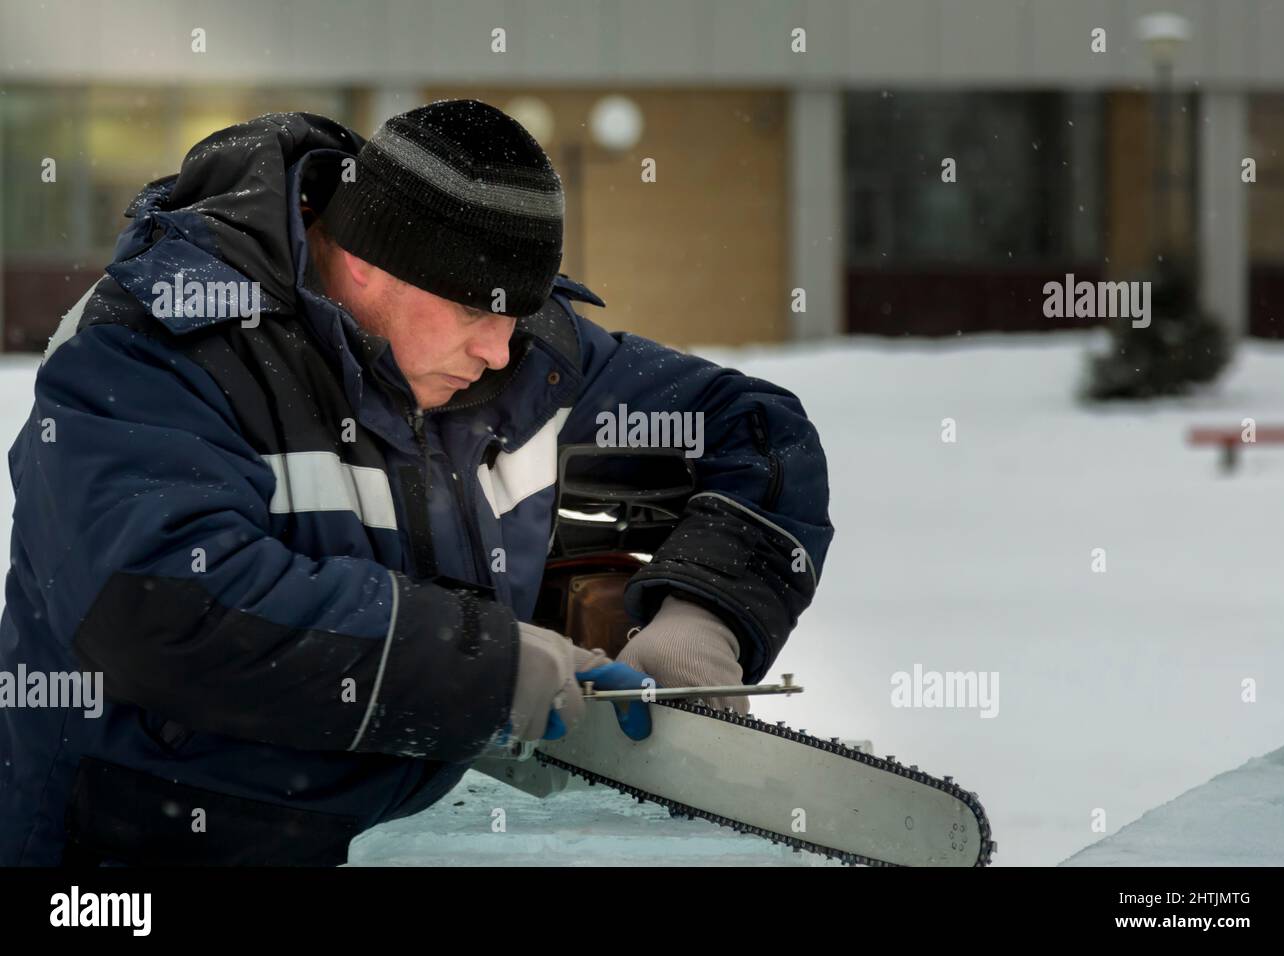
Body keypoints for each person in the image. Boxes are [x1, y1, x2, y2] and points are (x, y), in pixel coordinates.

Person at [0, 100, 833, 866]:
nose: (504, 352)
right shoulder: (155, 342)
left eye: (521, 315)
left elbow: (756, 429)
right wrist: (480, 665)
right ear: (367, 266)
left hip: (396, 837)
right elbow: (159, 604)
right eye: (479, 315)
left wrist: (706, 614)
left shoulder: (518, 355)